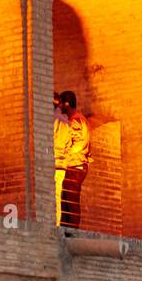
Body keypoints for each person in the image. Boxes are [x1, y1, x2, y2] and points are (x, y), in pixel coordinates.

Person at [53, 90, 91, 228]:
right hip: (80, 164)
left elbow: (77, 144)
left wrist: (64, 154)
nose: (60, 107)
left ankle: (72, 233)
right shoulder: (82, 119)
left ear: (67, 104)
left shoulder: (74, 120)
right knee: (69, 201)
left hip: (74, 165)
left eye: (62, 104)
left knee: (70, 201)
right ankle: (70, 231)